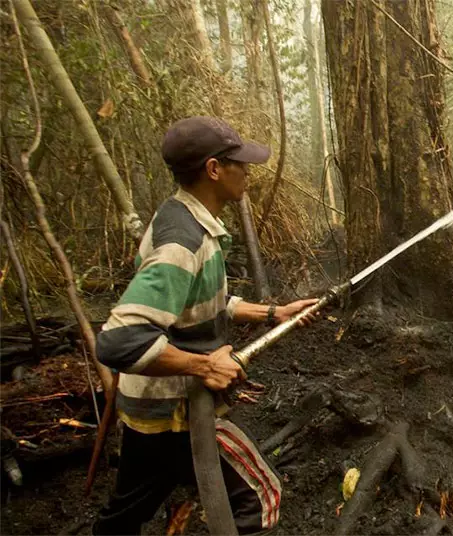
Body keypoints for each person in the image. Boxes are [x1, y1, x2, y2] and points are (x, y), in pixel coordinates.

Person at [92, 116, 318, 535]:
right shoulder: (183, 242)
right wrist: (203, 366)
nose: (247, 173)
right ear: (214, 170)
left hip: (147, 410)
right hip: (176, 411)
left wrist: (274, 313)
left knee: (125, 514)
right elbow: (117, 341)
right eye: (240, 164)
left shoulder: (184, 219)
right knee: (260, 495)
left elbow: (197, 301)